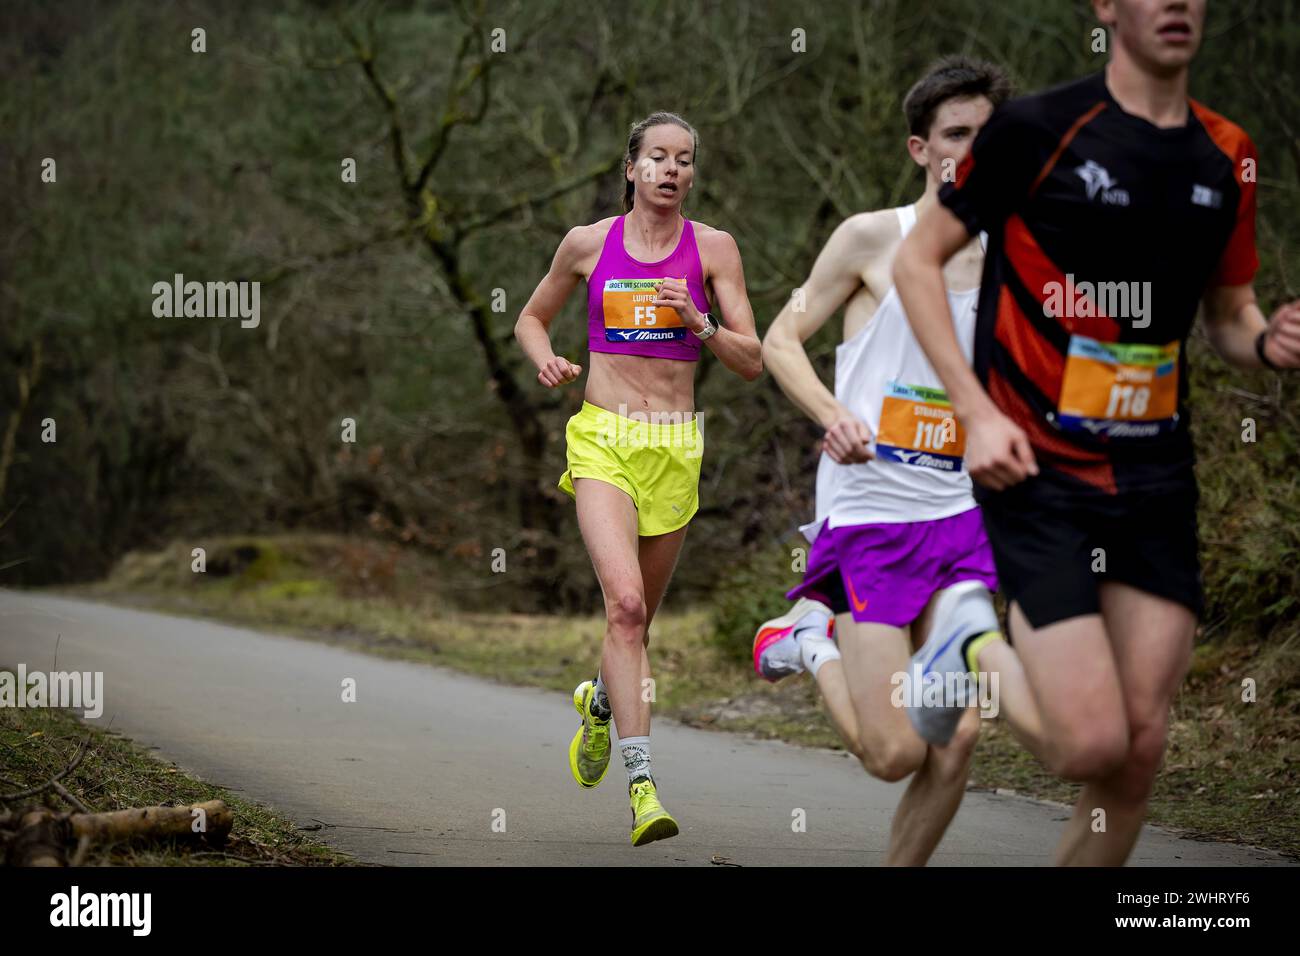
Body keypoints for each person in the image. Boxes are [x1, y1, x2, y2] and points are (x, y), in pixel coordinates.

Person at [894, 0, 1300, 865]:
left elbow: (1230, 317)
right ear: (1108, 7)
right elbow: (915, 259)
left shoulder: (1229, 154)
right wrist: (974, 412)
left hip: (1155, 480)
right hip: (1036, 472)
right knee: (1087, 745)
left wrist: (1269, 343)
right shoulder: (1036, 130)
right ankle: (970, 639)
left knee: (1140, 749)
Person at [756, 57, 1044, 866]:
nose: (973, 150)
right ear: (921, 148)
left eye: (989, 136)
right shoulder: (870, 238)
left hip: (960, 516)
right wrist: (832, 412)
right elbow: (782, 339)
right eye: (957, 135)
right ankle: (809, 639)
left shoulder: (1014, 258)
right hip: (870, 515)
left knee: (955, 739)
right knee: (894, 755)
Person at [515, 111, 761, 846]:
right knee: (623, 606)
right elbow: (531, 318)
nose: (671, 170)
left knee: (638, 621)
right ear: (631, 167)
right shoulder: (588, 244)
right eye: (657, 157)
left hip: (674, 447)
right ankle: (643, 787)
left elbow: (752, 359)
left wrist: (703, 323)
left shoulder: (714, 250)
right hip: (603, 442)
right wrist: (546, 359)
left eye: (684, 160)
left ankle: (598, 708)